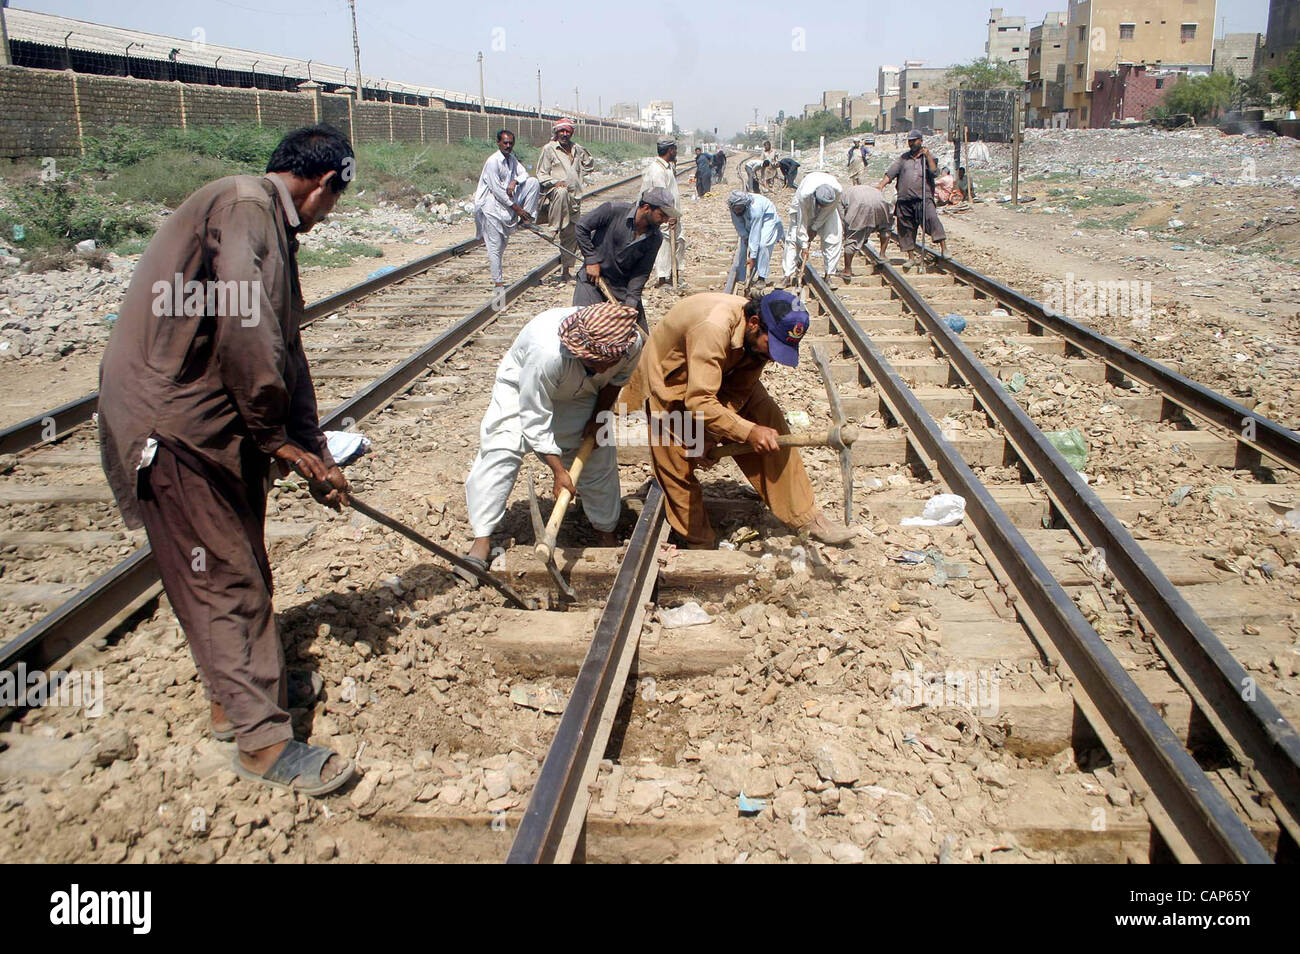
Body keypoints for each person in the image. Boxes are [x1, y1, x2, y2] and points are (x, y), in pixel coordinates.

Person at [97, 124, 356, 797]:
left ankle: (234, 697)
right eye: (335, 201)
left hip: (216, 422)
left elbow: (285, 349)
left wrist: (313, 448)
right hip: (175, 428)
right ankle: (263, 744)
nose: (330, 215)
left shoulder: (265, 220)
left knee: (238, 560)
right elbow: (250, 328)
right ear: (326, 183)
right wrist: (277, 439)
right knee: (226, 579)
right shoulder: (246, 206)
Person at [618, 290, 855, 549]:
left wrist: (712, 436)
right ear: (754, 324)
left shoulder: (758, 342)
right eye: (773, 346)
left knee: (768, 417)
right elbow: (699, 400)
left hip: (721, 375)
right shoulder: (713, 327)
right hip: (673, 380)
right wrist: (747, 432)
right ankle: (699, 541)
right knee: (677, 459)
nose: (775, 356)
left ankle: (806, 516)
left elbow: (739, 391)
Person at [461, 302, 644, 576]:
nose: (590, 362)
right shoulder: (547, 353)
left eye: (597, 362)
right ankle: (482, 542)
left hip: (585, 393)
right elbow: (535, 417)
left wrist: (598, 416)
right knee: (502, 450)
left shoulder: (630, 344)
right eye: (587, 358)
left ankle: (605, 532)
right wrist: (559, 472)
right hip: (522, 386)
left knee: (597, 453)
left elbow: (617, 381)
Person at [572, 188, 676, 330]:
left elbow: (641, 273)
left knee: (641, 340)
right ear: (646, 208)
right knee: (585, 328)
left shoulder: (655, 238)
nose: (665, 221)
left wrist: (630, 304)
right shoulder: (612, 210)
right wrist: (591, 259)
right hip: (593, 280)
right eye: (662, 215)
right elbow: (581, 227)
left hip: (622, 288)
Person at [474, 129, 540, 288]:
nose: (508, 146)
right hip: (492, 207)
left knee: (533, 183)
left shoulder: (512, 160)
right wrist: (517, 209)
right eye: (505, 143)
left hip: (507, 206)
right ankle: (498, 283)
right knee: (495, 246)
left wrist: (515, 181)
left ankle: (527, 220)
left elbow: (524, 174)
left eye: (511, 143)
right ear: (498, 143)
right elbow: (497, 191)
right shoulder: (493, 162)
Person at [534, 118, 595, 283]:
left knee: (570, 236)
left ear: (571, 133)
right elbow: (541, 174)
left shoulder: (576, 149)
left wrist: (581, 162)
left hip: (574, 199)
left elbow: (590, 165)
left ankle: (566, 272)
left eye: (567, 131)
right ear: (556, 132)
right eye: (561, 131)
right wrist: (555, 182)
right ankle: (553, 228)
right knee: (561, 191)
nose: (564, 134)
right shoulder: (549, 149)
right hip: (556, 196)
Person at [877, 129, 946, 263]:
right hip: (905, 200)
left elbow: (934, 172)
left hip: (923, 198)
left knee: (932, 220)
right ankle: (911, 257)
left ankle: (944, 248)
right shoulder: (903, 158)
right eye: (909, 141)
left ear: (921, 141)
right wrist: (881, 185)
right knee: (906, 229)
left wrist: (928, 156)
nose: (911, 143)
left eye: (914, 140)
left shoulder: (928, 158)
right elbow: (891, 173)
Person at [781, 170, 843, 282]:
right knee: (793, 239)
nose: (822, 207)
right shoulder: (805, 195)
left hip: (829, 211)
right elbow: (802, 221)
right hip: (802, 207)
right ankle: (787, 275)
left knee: (833, 237)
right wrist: (804, 245)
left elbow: (828, 211)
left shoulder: (837, 191)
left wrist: (815, 227)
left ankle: (829, 274)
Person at [641, 137, 683, 286]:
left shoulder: (666, 167)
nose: (676, 152)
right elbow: (661, 196)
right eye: (675, 149)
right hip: (663, 214)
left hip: (671, 213)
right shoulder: (657, 169)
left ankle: (674, 273)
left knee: (678, 241)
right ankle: (663, 277)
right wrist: (669, 215)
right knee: (664, 243)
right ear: (670, 150)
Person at [728, 190, 785, 286]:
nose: (737, 211)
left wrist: (752, 256)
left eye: (739, 209)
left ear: (745, 206)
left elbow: (755, 232)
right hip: (751, 217)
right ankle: (742, 277)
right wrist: (745, 237)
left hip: (767, 218)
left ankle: (761, 277)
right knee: (743, 247)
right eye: (735, 209)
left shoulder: (755, 209)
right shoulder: (733, 206)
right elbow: (738, 224)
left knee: (763, 245)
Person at [838, 183, 892, 280]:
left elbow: (843, 219)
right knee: (885, 227)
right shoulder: (871, 189)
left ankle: (847, 271)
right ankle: (882, 255)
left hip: (859, 204)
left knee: (851, 238)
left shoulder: (841, 197)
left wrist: (846, 232)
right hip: (880, 202)